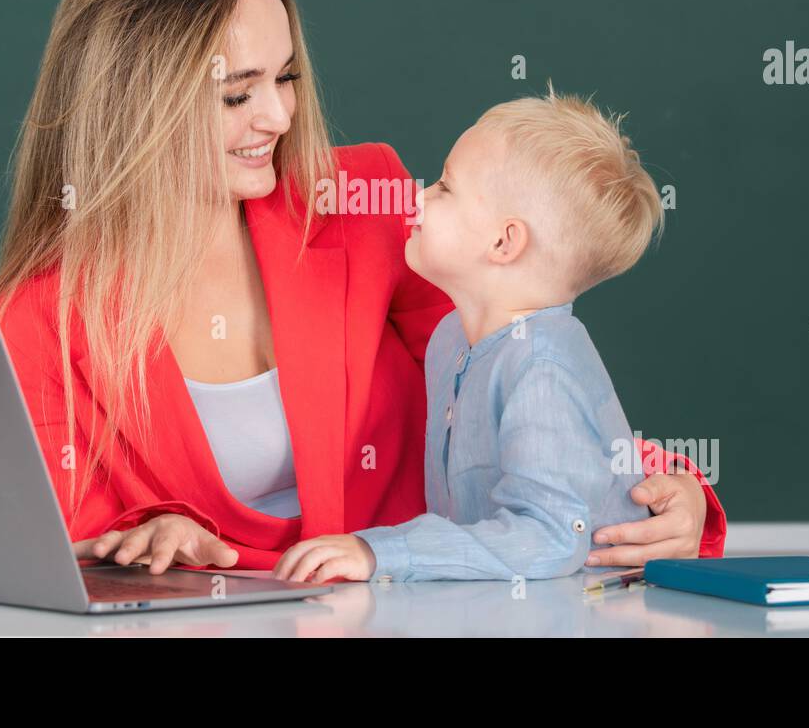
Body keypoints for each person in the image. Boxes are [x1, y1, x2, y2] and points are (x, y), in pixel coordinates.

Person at [0, 0, 725, 575]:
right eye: (237, 93)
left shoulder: (368, 203)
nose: (277, 114)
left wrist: (666, 491)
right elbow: (66, 547)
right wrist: (155, 537)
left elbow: (519, 372)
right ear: (133, 105)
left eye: (287, 76)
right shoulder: (38, 319)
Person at [275, 89, 671, 583]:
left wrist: (384, 552)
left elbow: (549, 537)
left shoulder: (541, 367)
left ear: (503, 242)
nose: (419, 197)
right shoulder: (450, 340)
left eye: (445, 187)